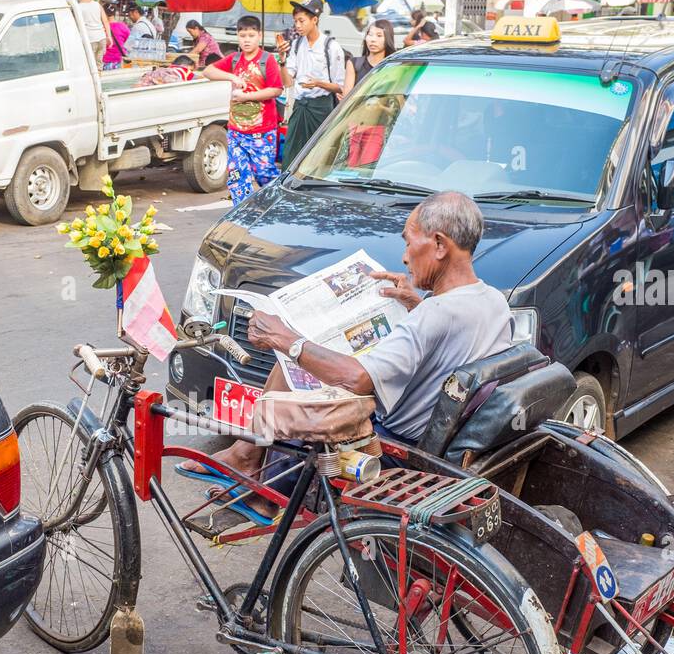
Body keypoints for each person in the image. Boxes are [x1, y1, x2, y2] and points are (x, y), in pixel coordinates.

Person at [181, 191, 512, 515]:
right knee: (302, 354)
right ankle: (246, 454)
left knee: (297, 355)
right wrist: (415, 303)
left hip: (392, 443)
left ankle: (260, 482)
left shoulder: (435, 314)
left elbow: (357, 378)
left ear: (439, 245)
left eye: (409, 242)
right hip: (441, 433)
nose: (405, 257)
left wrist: (288, 340)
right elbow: (448, 336)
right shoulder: (493, 301)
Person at [204, 14, 283, 203]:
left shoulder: (267, 60)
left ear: (259, 36)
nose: (246, 40)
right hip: (236, 132)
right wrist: (232, 78)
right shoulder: (234, 59)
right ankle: (241, 212)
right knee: (237, 177)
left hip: (262, 133)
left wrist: (246, 96)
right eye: (243, 35)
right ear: (237, 36)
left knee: (264, 174)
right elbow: (208, 71)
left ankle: (279, 203)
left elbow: (276, 90)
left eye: (251, 35)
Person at [276, 0, 346, 166]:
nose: (297, 26)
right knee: (291, 156)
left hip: (321, 108)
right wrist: (282, 59)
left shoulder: (331, 47)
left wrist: (318, 83)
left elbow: (339, 88)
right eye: (295, 21)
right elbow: (287, 82)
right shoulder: (296, 45)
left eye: (301, 21)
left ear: (315, 20)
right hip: (300, 106)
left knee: (319, 159)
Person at [343, 19, 395, 96]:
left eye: (379, 35)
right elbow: (347, 97)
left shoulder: (394, 65)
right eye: (370, 34)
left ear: (388, 38)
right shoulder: (353, 64)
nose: (373, 40)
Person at [76, 0, 112, 66]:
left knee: (89, 65)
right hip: (102, 39)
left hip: (89, 40)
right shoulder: (97, 5)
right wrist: (109, 36)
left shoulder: (78, 7)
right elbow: (105, 21)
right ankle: (99, 76)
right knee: (99, 64)